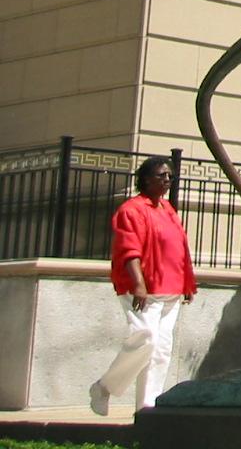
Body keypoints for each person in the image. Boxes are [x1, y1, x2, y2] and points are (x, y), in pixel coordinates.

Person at [87, 156, 196, 415]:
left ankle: (147, 410)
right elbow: (129, 250)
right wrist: (139, 284)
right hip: (144, 290)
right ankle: (104, 387)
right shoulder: (131, 210)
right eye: (161, 175)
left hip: (171, 290)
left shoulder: (168, 210)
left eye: (170, 176)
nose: (167, 180)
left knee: (160, 350)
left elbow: (180, 248)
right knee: (145, 339)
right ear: (146, 179)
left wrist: (188, 282)